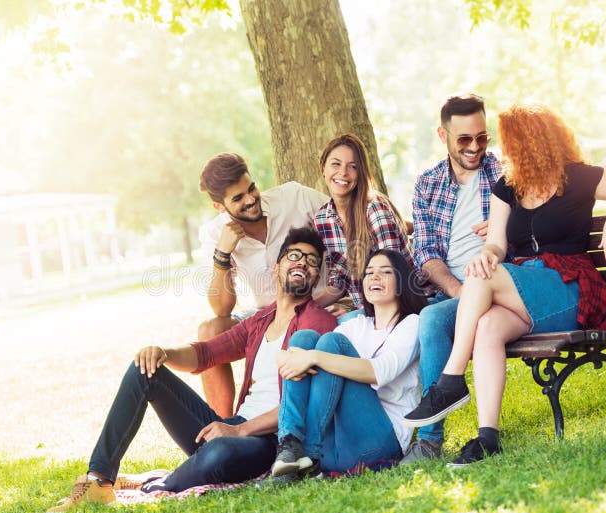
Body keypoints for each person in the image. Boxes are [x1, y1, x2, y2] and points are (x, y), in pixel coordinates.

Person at [402, 102, 606, 466]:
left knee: (483, 278)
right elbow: (497, 242)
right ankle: (488, 437)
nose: (502, 152)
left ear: (534, 142)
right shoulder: (509, 186)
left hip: (568, 289)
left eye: (509, 143)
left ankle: (451, 380)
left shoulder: (580, 176)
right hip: (527, 290)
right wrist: (488, 252)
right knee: (488, 322)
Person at [45, 227, 336, 513]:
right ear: (277, 267)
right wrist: (164, 354)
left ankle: (155, 485)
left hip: (270, 440)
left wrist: (239, 430)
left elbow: (307, 404)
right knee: (144, 371)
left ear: (316, 275)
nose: (302, 263)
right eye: (294, 255)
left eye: (311, 261)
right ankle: (98, 479)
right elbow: (207, 352)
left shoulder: (318, 324)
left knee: (220, 452)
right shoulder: (260, 321)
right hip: (230, 426)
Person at [401, 93, 503, 463]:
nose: (475, 147)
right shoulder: (427, 183)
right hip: (452, 291)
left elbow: (542, 222)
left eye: (482, 137)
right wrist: (459, 290)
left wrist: (509, 225)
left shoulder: (506, 173)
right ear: (443, 136)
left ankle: (428, 440)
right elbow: (426, 253)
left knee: (430, 320)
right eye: (464, 139)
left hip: (499, 286)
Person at [271, 249, 427, 480]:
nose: (374, 277)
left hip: (378, 442)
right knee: (303, 339)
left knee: (331, 343)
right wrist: (284, 357)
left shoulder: (412, 323)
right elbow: (299, 355)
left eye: (385, 272)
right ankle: (290, 443)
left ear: (401, 282)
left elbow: (379, 372)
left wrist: (313, 358)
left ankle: (307, 453)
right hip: (335, 446)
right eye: (369, 273)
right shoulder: (357, 324)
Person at [197, 153, 328, 418]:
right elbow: (222, 309)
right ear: (219, 206)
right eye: (237, 198)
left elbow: (346, 216)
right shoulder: (215, 234)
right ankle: (223, 425)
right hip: (266, 315)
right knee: (210, 329)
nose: (250, 199)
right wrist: (223, 252)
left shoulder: (294, 197)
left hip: (318, 302)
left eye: (251, 188)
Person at [312, 133, 415, 317]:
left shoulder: (375, 208)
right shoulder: (322, 219)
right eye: (336, 164)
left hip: (404, 305)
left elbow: (393, 273)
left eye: (352, 167)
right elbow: (339, 280)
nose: (343, 172)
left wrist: (354, 312)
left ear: (361, 174)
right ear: (323, 168)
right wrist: (306, 309)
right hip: (367, 309)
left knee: (331, 335)